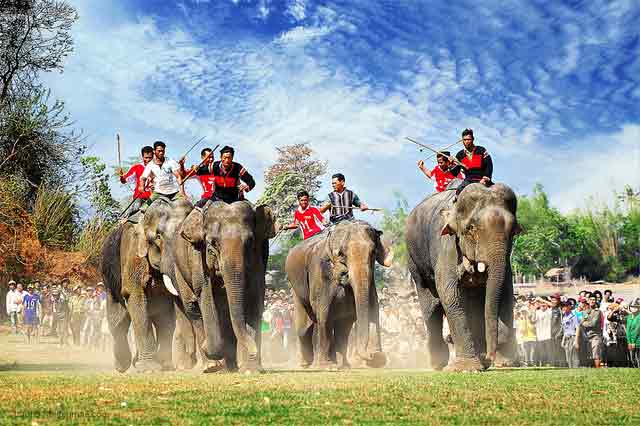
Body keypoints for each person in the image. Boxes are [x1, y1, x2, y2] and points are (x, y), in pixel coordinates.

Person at [140, 141, 186, 206]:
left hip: (173, 192)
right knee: (144, 208)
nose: (161, 153)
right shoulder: (150, 165)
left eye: (163, 151)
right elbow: (143, 178)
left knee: (187, 206)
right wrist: (142, 186)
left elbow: (179, 176)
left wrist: (182, 191)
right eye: (159, 151)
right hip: (158, 192)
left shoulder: (171, 162)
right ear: (154, 151)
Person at [449, 128, 493, 196]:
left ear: (473, 139)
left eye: (468, 139)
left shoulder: (481, 150)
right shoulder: (460, 155)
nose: (466, 141)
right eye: (464, 140)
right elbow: (455, 173)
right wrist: (450, 164)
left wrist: (485, 179)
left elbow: (489, 165)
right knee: (458, 193)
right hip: (468, 181)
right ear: (462, 140)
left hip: (482, 179)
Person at [119, 145, 154, 215]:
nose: (148, 160)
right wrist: (121, 177)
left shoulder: (158, 168)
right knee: (136, 207)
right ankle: (125, 218)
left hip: (153, 197)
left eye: (150, 158)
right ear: (142, 157)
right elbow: (125, 180)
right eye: (146, 157)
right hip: (140, 197)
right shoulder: (137, 167)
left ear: (153, 157)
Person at [581, 296, 604, 368]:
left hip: (595, 335)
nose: (592, 301)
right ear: (588, 301)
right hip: (586, 335)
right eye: (591, 299)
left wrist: (584, 323)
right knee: (589, 353)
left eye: (594, 300)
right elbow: (581, 322)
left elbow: (593, 323)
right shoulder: (585, 311)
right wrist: (584, 323)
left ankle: (598, 369)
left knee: (596, 353)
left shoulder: (598, 311)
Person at [561, 301, 580, 368]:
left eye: (565, 306)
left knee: (574, 355)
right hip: (566, 338)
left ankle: (575, 368)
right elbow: (565, 330)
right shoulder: (564, 317)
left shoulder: (574, 316)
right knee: (568, 355)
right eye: (563, 307)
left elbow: (577, 328)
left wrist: (576, 341)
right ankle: (570, 368)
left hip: (573, 337)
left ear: (569, 307)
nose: (563, 308)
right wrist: (563, 340)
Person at [626, 298, 640, 368]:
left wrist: (633, 342)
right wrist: (629, 342)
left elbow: (637, 330)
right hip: (631, 341)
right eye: (632, 306)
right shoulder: (629, 317)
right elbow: (628, 330)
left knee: (638, 358)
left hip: (638, 341)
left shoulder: (639, 317)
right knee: (632, 359)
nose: (634, 308)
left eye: (636, 307)